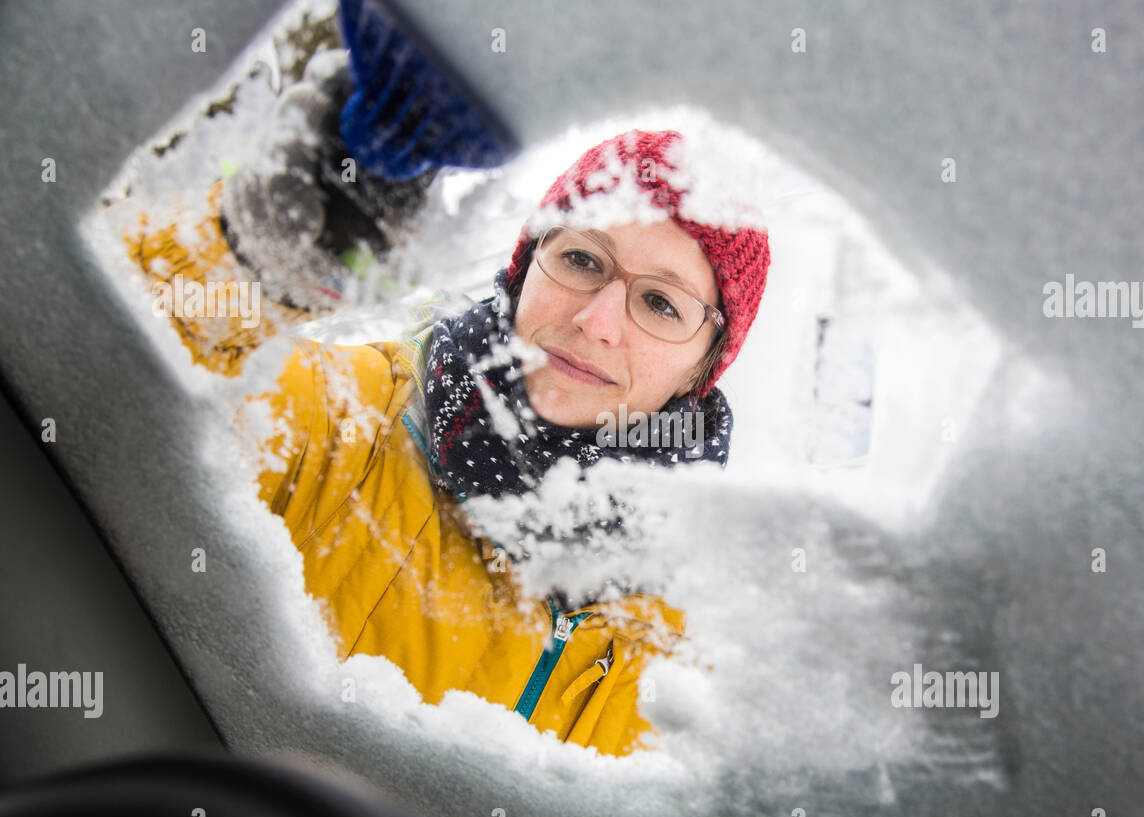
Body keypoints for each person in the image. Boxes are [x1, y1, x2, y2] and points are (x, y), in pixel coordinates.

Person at [182, 128, 770, 756]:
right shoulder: (341, 422)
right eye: (581, 260)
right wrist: (244, 248)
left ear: (704, 370)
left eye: (659, 303)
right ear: (526, 265)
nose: (596, 322)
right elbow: (131, 354)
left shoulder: (712, 641)